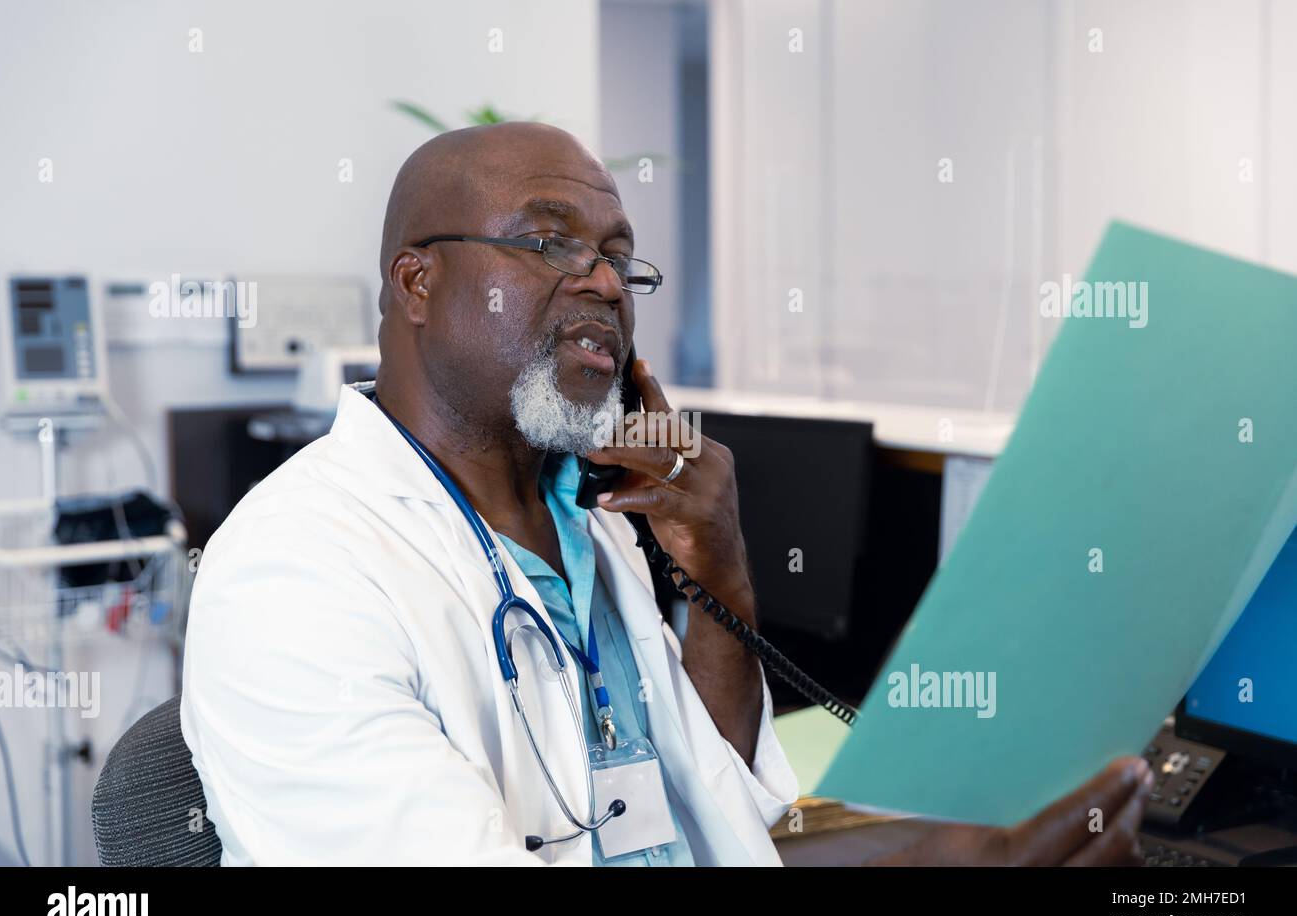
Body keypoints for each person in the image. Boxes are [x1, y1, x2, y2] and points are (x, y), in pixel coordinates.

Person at [180, 122, 1153, 865]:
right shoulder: (293, 571)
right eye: (551, 244)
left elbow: (716, 817)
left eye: (618, 254)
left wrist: (718, 577)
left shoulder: (590, 522)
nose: (605, 282)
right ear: (417, 281)